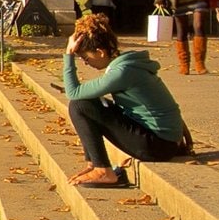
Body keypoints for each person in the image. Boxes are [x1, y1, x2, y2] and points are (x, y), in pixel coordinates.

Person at [61, 12, 193, 188]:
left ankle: (102, 170)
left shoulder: (122, 72)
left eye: (85, 58)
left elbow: (73, 92)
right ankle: (94, 164)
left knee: (80, 105)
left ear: (100, 52)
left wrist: (68, 55)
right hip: (166, 140)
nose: (85, 62)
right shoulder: (128, 65)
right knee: (90, 102)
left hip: (158, 146)